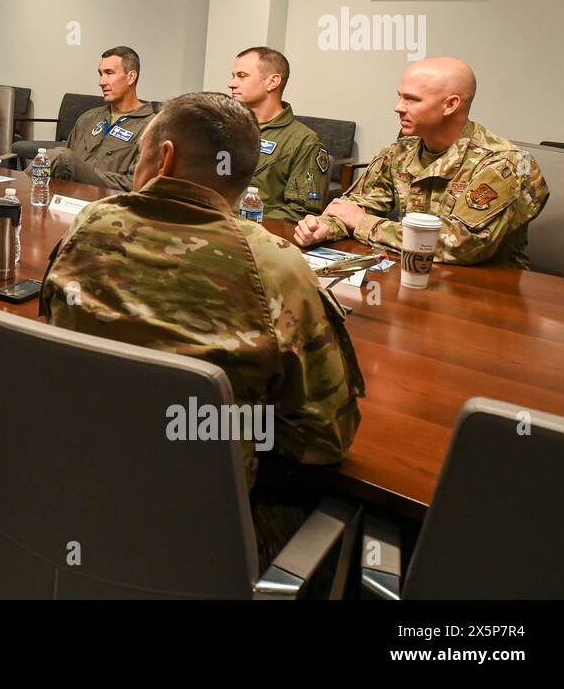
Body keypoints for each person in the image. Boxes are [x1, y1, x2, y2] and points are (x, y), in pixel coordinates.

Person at [40, 92, 365, 566]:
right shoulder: (275, 265)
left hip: (68, 486)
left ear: (164, 158)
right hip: (199, 538)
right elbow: (324, 439)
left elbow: (51, 328)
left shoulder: (91, 224)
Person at [295, 57, 549, 267]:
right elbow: (355, 206)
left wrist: (362, 223)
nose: (398, 107)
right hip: (414, 275)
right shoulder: (400, 152)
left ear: (450, 105)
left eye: (411, 99)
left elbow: (461, 245)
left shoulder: (504, 164)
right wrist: (324, 227)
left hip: (486, 295)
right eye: (400, 96)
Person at [228, 47, 330, 222]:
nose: (232, 83)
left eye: (242, 76)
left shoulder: (304, 142)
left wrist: (243, 224)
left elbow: (300, 212)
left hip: (259, 237)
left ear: (272, 82)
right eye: (233, 76)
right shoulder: (226, 128)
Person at [46, 46, 156, 190]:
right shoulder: (88, 118)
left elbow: (134, 185)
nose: (101, 82)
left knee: (62, 156)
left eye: (109, 73)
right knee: (50, 160)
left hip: (108, 202)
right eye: (101, 74)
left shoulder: (152, 127)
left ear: (131, 77)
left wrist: (84, 172)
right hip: (68, 199)